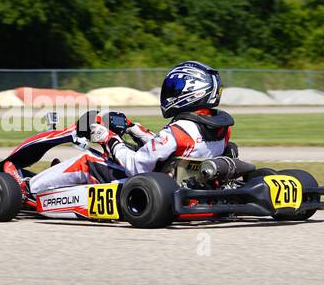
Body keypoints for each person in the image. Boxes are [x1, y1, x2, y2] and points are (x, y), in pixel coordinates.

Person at [22, 61, 232, 194]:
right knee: (118, 151)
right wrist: (134, 129)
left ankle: (27, 189)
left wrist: (109, 139)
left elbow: (135, 166)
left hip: (148, 185)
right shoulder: (220, 129)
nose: (170, 93)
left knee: (86, 160)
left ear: (192, 92)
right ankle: (55, 180)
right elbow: (169, 150)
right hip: (187, 183)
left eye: (175, 88)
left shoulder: (177, 132)